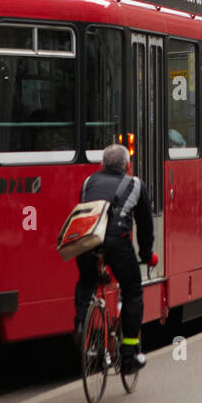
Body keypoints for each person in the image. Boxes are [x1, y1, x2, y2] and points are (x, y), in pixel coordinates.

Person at [74, 143, 155, 372]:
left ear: (102, 164)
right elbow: (145, 226)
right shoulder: (135, 184)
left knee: (87, 280)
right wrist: (146, 254)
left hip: (88, 240)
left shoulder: (88, 182)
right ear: (127, 166)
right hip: (117, 243)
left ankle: (81, 323)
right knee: (132, 291)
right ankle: (128, 357)